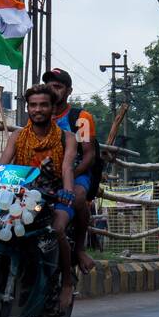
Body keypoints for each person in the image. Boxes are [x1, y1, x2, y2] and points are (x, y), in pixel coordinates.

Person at [0, 85, 78, 311]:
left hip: (54, 197)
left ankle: (67, 282)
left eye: (43, 105)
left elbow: (67, 167)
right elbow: (3, 166)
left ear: (53, 108)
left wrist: (67, 191)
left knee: (58, 228)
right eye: (33, 105)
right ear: (28, 108)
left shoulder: (67, 138)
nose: (37, 109)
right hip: (20, 195)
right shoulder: (18, 136)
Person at [43, 68, 97, 276]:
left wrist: (68, 176)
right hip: (43, 174)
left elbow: (88, 155)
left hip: (76, 173)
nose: (52, 90)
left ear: (68, 91)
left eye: (57, 86)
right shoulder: (39, 115)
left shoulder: (81, 118)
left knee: (78, 197)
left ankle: (80, 248)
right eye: (48, 86)